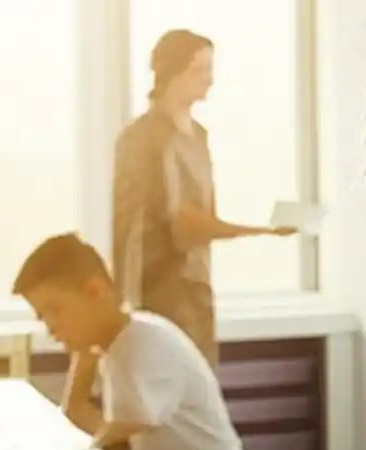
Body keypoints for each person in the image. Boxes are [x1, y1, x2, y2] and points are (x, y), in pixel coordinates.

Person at [12, 233, 259, 450]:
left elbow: (116, 435)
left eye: (55, 310)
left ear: (95, 291)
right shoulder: (117, 345)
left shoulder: (143, 344)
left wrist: (84, 418)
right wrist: (84, 356)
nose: (50, 327)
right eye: (42, 316)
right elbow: (86, 419)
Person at [112, 29, 296, 367]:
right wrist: (263, 232)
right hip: (157, 293)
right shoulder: (146, 137)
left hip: (195, 288)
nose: (210, 80)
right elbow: (183, 225)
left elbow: (202, 216)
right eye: (200, 70)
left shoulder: (197, 136)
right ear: (171, 72)